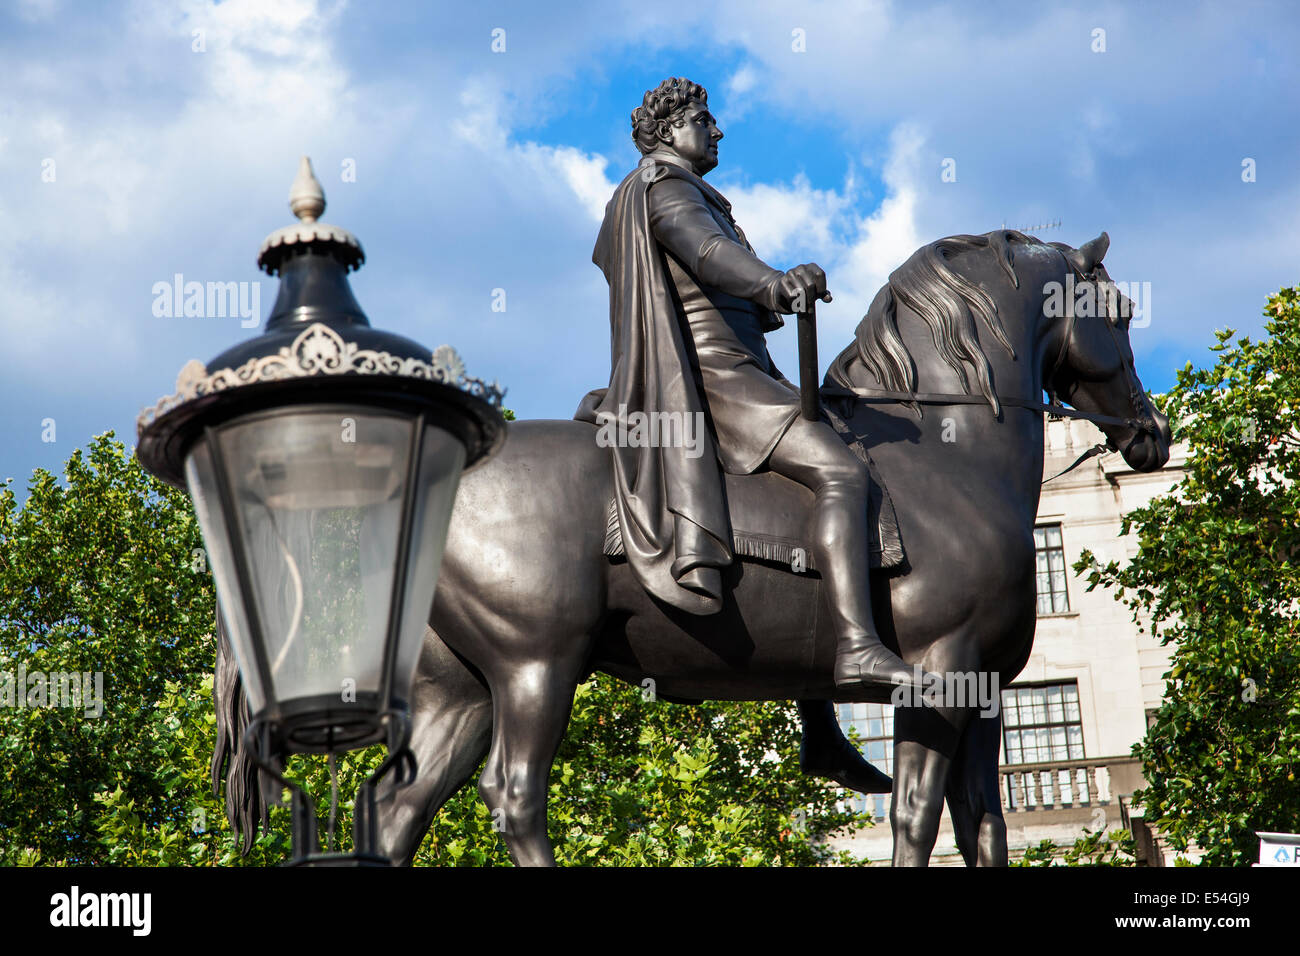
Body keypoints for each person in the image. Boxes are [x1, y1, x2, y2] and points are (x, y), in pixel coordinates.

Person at [576, 77, 912, 691]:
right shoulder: (664, 184)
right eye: (703, 120)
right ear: (671, 130)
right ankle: (859, 646)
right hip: (716, 377)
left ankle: (821, 722)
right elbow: (705, 251)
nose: (716, 130)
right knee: (842, 473)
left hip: (740, 369)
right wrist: (775, 283)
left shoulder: (678, 187)